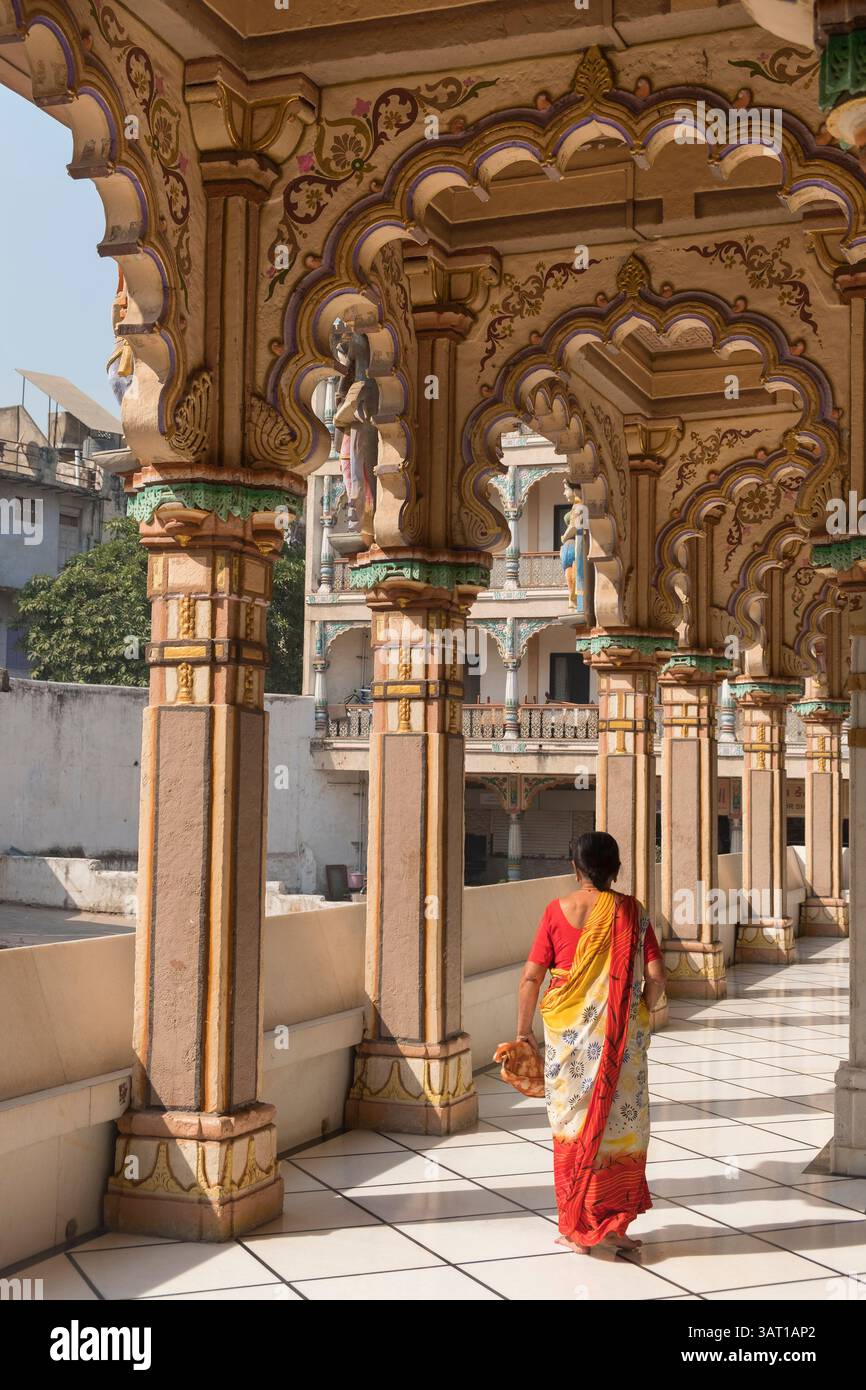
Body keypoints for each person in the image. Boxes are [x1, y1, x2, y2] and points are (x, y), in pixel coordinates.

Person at [515, 831, 666, 1254]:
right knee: (621, 1128)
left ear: (575, 867)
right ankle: (614, 1224)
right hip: (621, 1042)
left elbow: (531, 976)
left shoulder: (554, 911)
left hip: (568, 1043)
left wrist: (523, 1032)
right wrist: (637, 1016)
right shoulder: (633, 912)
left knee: (573, 1126)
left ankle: (574, 1226)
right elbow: (655, 978)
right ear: (616, 869)